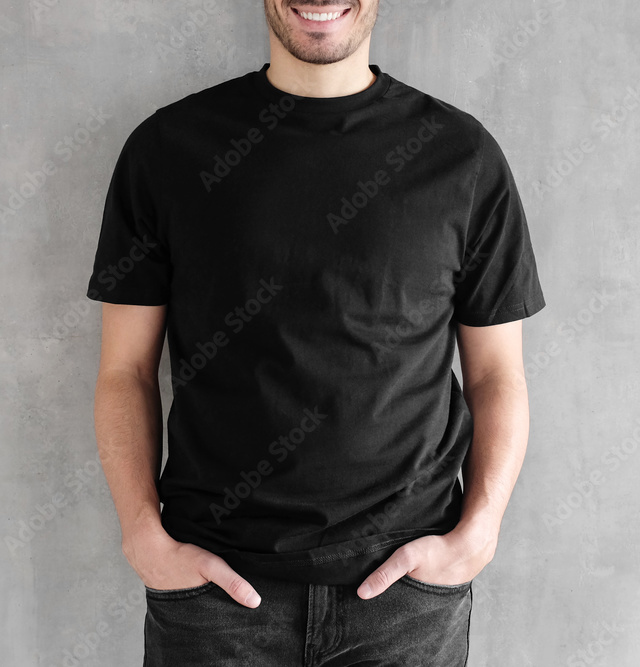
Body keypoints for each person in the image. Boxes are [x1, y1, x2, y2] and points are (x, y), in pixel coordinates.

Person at [86, 1, 545, 664]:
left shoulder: (462, 156)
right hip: (216, 601)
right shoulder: (168, 150)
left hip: (404, 602)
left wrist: (480, 529)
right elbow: (123, 371)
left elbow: (496, 374)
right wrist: (140, 532)